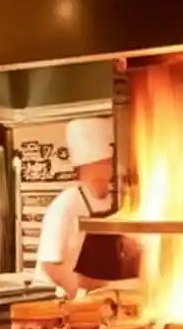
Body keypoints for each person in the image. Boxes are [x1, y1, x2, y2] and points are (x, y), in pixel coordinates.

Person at [35, 117, 137, 298]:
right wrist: (85, 296)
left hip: (105, 298)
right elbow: (51, 267)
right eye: (106, 163)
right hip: (64, 300)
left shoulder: (115, 201)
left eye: (110, 162)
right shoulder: (66, 205)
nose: (112, 168)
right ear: (89, 166)